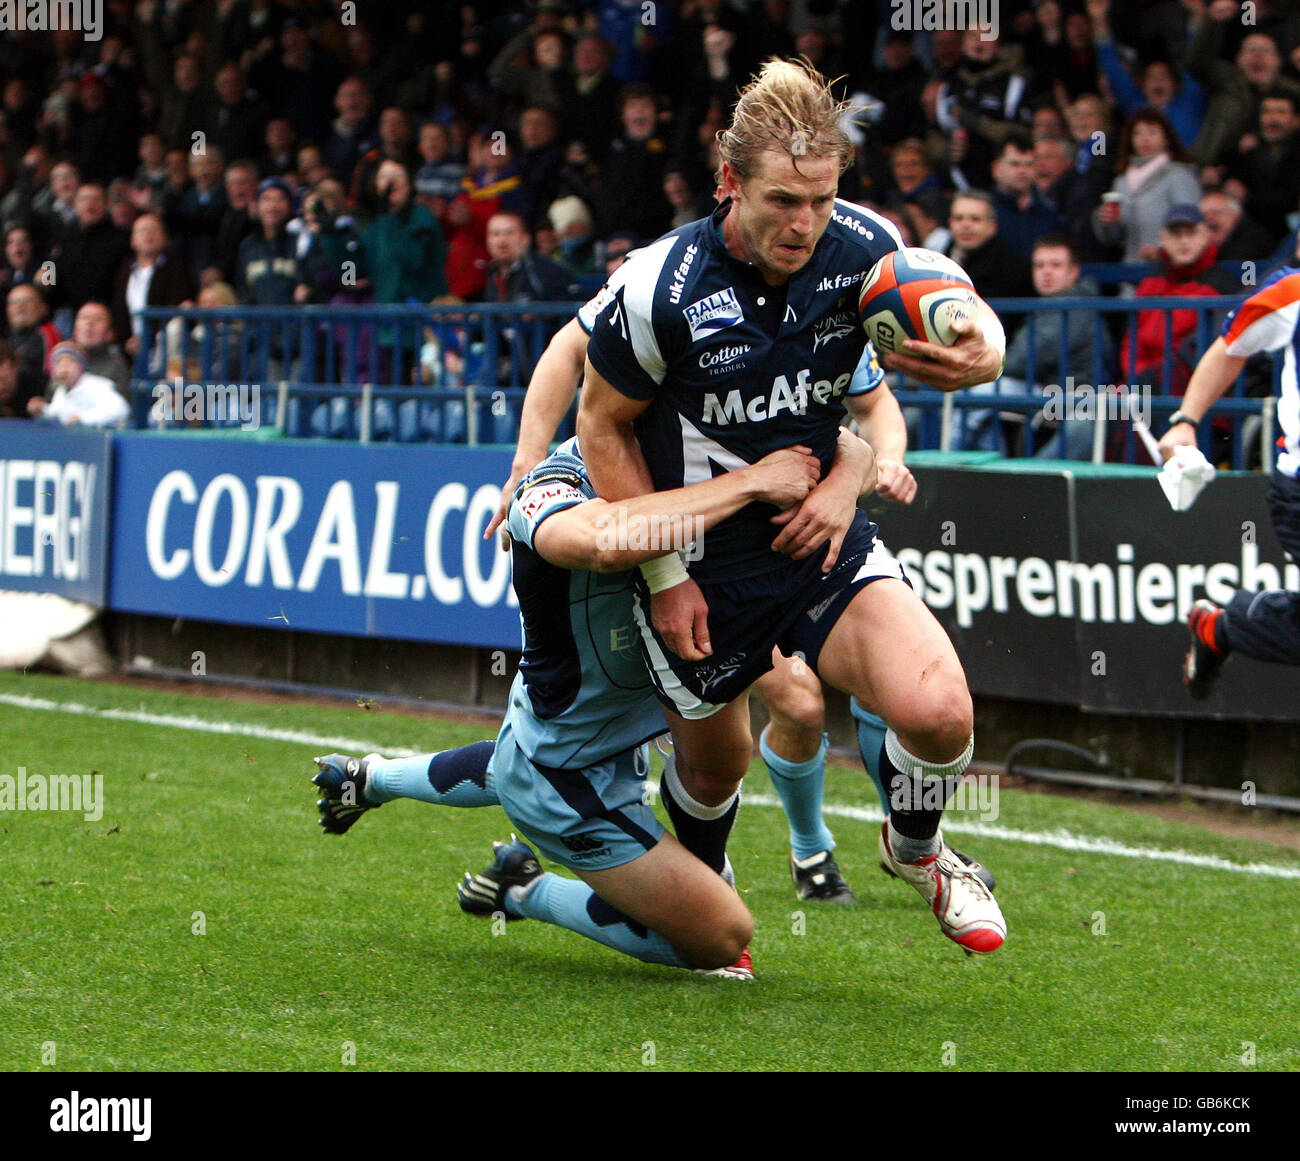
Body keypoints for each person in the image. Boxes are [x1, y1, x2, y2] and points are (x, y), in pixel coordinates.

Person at [575, 59, 1008, 954]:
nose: (805, 223)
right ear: (729, 182)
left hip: (819, 540)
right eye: (782, 200)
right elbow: (601, 428)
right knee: (714, 770)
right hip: (700, 563)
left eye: (821, 198)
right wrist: (663, 573)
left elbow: (961, 316)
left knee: (940, 711)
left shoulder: (865, 247)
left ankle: (917, 848)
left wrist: (986, 354)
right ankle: (701, 914)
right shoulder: (660, 286)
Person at [312, 434, 849, 977]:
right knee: (723, 938)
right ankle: (524, 890)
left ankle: (369, 778)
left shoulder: (701, 446)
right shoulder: (553, 486)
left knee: (522, 761)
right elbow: (605, 540)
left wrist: (845, 482)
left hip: (590, 734)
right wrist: (750, 483)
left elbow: (847, 444)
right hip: (567, 776)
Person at [1159, 264, 1300, 697]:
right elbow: (1230, 346)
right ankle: (1225, 626)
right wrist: (1185, 421)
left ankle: (1221, 627)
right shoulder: (1292, 292)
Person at [1122, 203, 1238, 397]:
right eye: (1176, 235)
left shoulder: (1222, 285)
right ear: (1163, 239)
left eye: (1191, 234)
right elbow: (1132, 342)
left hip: (1195, 388)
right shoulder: (1150, 282)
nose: (1184, 241)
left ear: (1205, 236)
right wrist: (1139, 377)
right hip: (1144, 385)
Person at [1092, 108, 1203, 266]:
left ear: (1166, 139)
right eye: (1137, 133)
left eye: (1152, 132)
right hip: (1131, 268)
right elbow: (1113, 239)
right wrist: (1107, 223)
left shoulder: (1179, 175)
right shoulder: (1121, 181)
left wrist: (1163, 251)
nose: (1144, 139)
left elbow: (1192, 222)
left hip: (1170, 268)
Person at [28, 341, 128, 428]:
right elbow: (56, 414)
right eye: (58, 363)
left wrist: (83, 418)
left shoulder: (94, 386)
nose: (63, 368)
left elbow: (120, 409)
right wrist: (41, 410)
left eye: (69, 362)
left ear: (81, 366)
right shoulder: (61, 391)